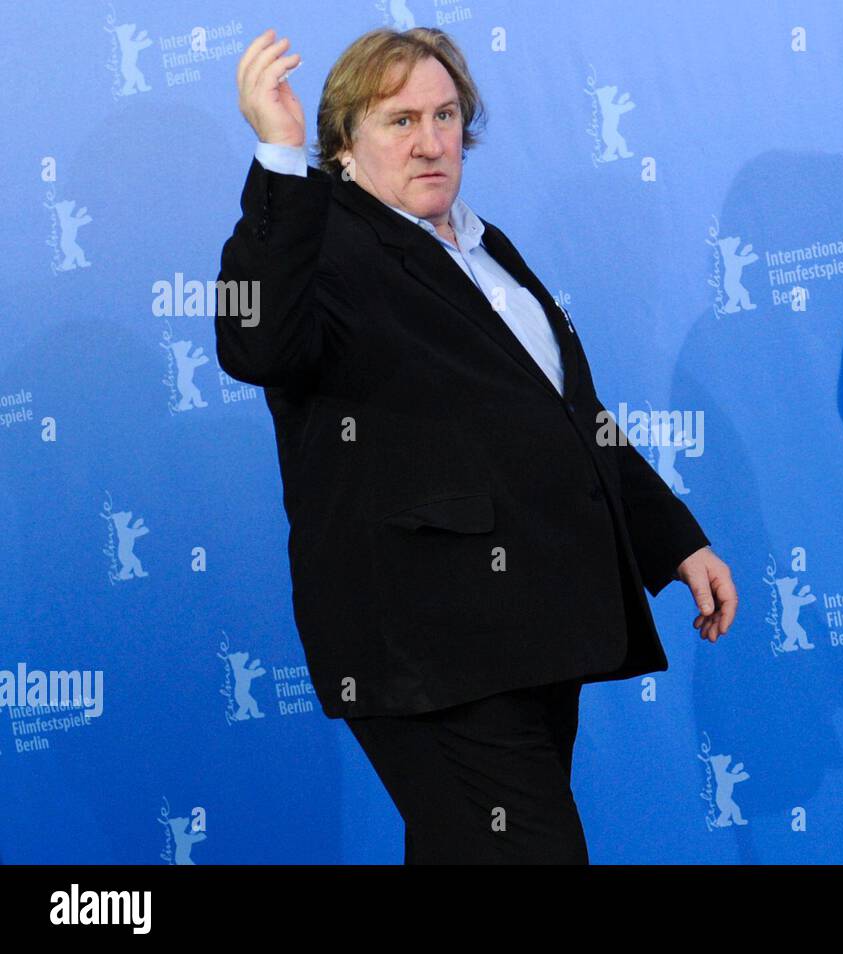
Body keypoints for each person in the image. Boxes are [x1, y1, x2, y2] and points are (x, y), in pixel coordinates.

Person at [216, 26, 737, 864]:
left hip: (530, 633)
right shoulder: (324, 245)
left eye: (446, 114)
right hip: (425, 651)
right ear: (344, 142)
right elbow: (256, 344)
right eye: (399, 121)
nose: (430, 142)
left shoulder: (487, 247)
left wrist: (673, 537)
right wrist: (278, 159)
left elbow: (571, 415)